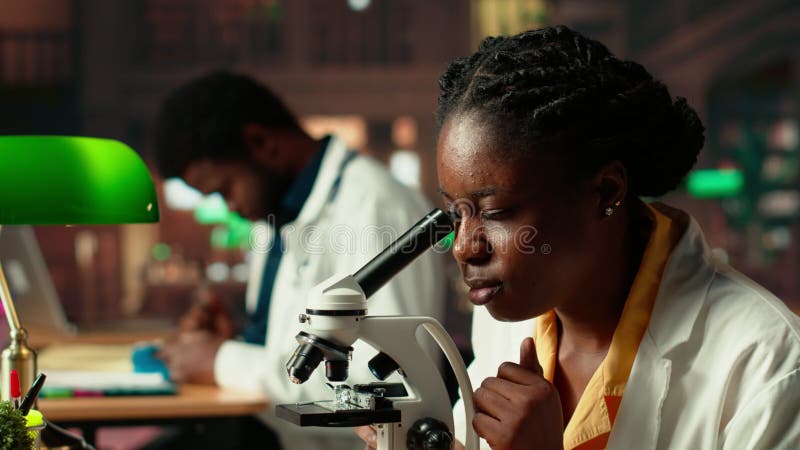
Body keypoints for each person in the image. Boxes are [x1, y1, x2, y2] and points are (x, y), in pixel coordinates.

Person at [356, 25, 800, 450]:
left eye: (496, 212)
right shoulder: (506, 315)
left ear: (605, 191)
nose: (464, 246)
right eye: (457, 212)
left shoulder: (769, 363)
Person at [150, 71, 447, 450]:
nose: (230, 207)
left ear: (260, 142)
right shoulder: (277, 220)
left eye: (224, 190)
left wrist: (223, 362)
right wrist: (236, 339)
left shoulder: (377, 206)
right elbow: (293, 347)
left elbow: (393, 384)